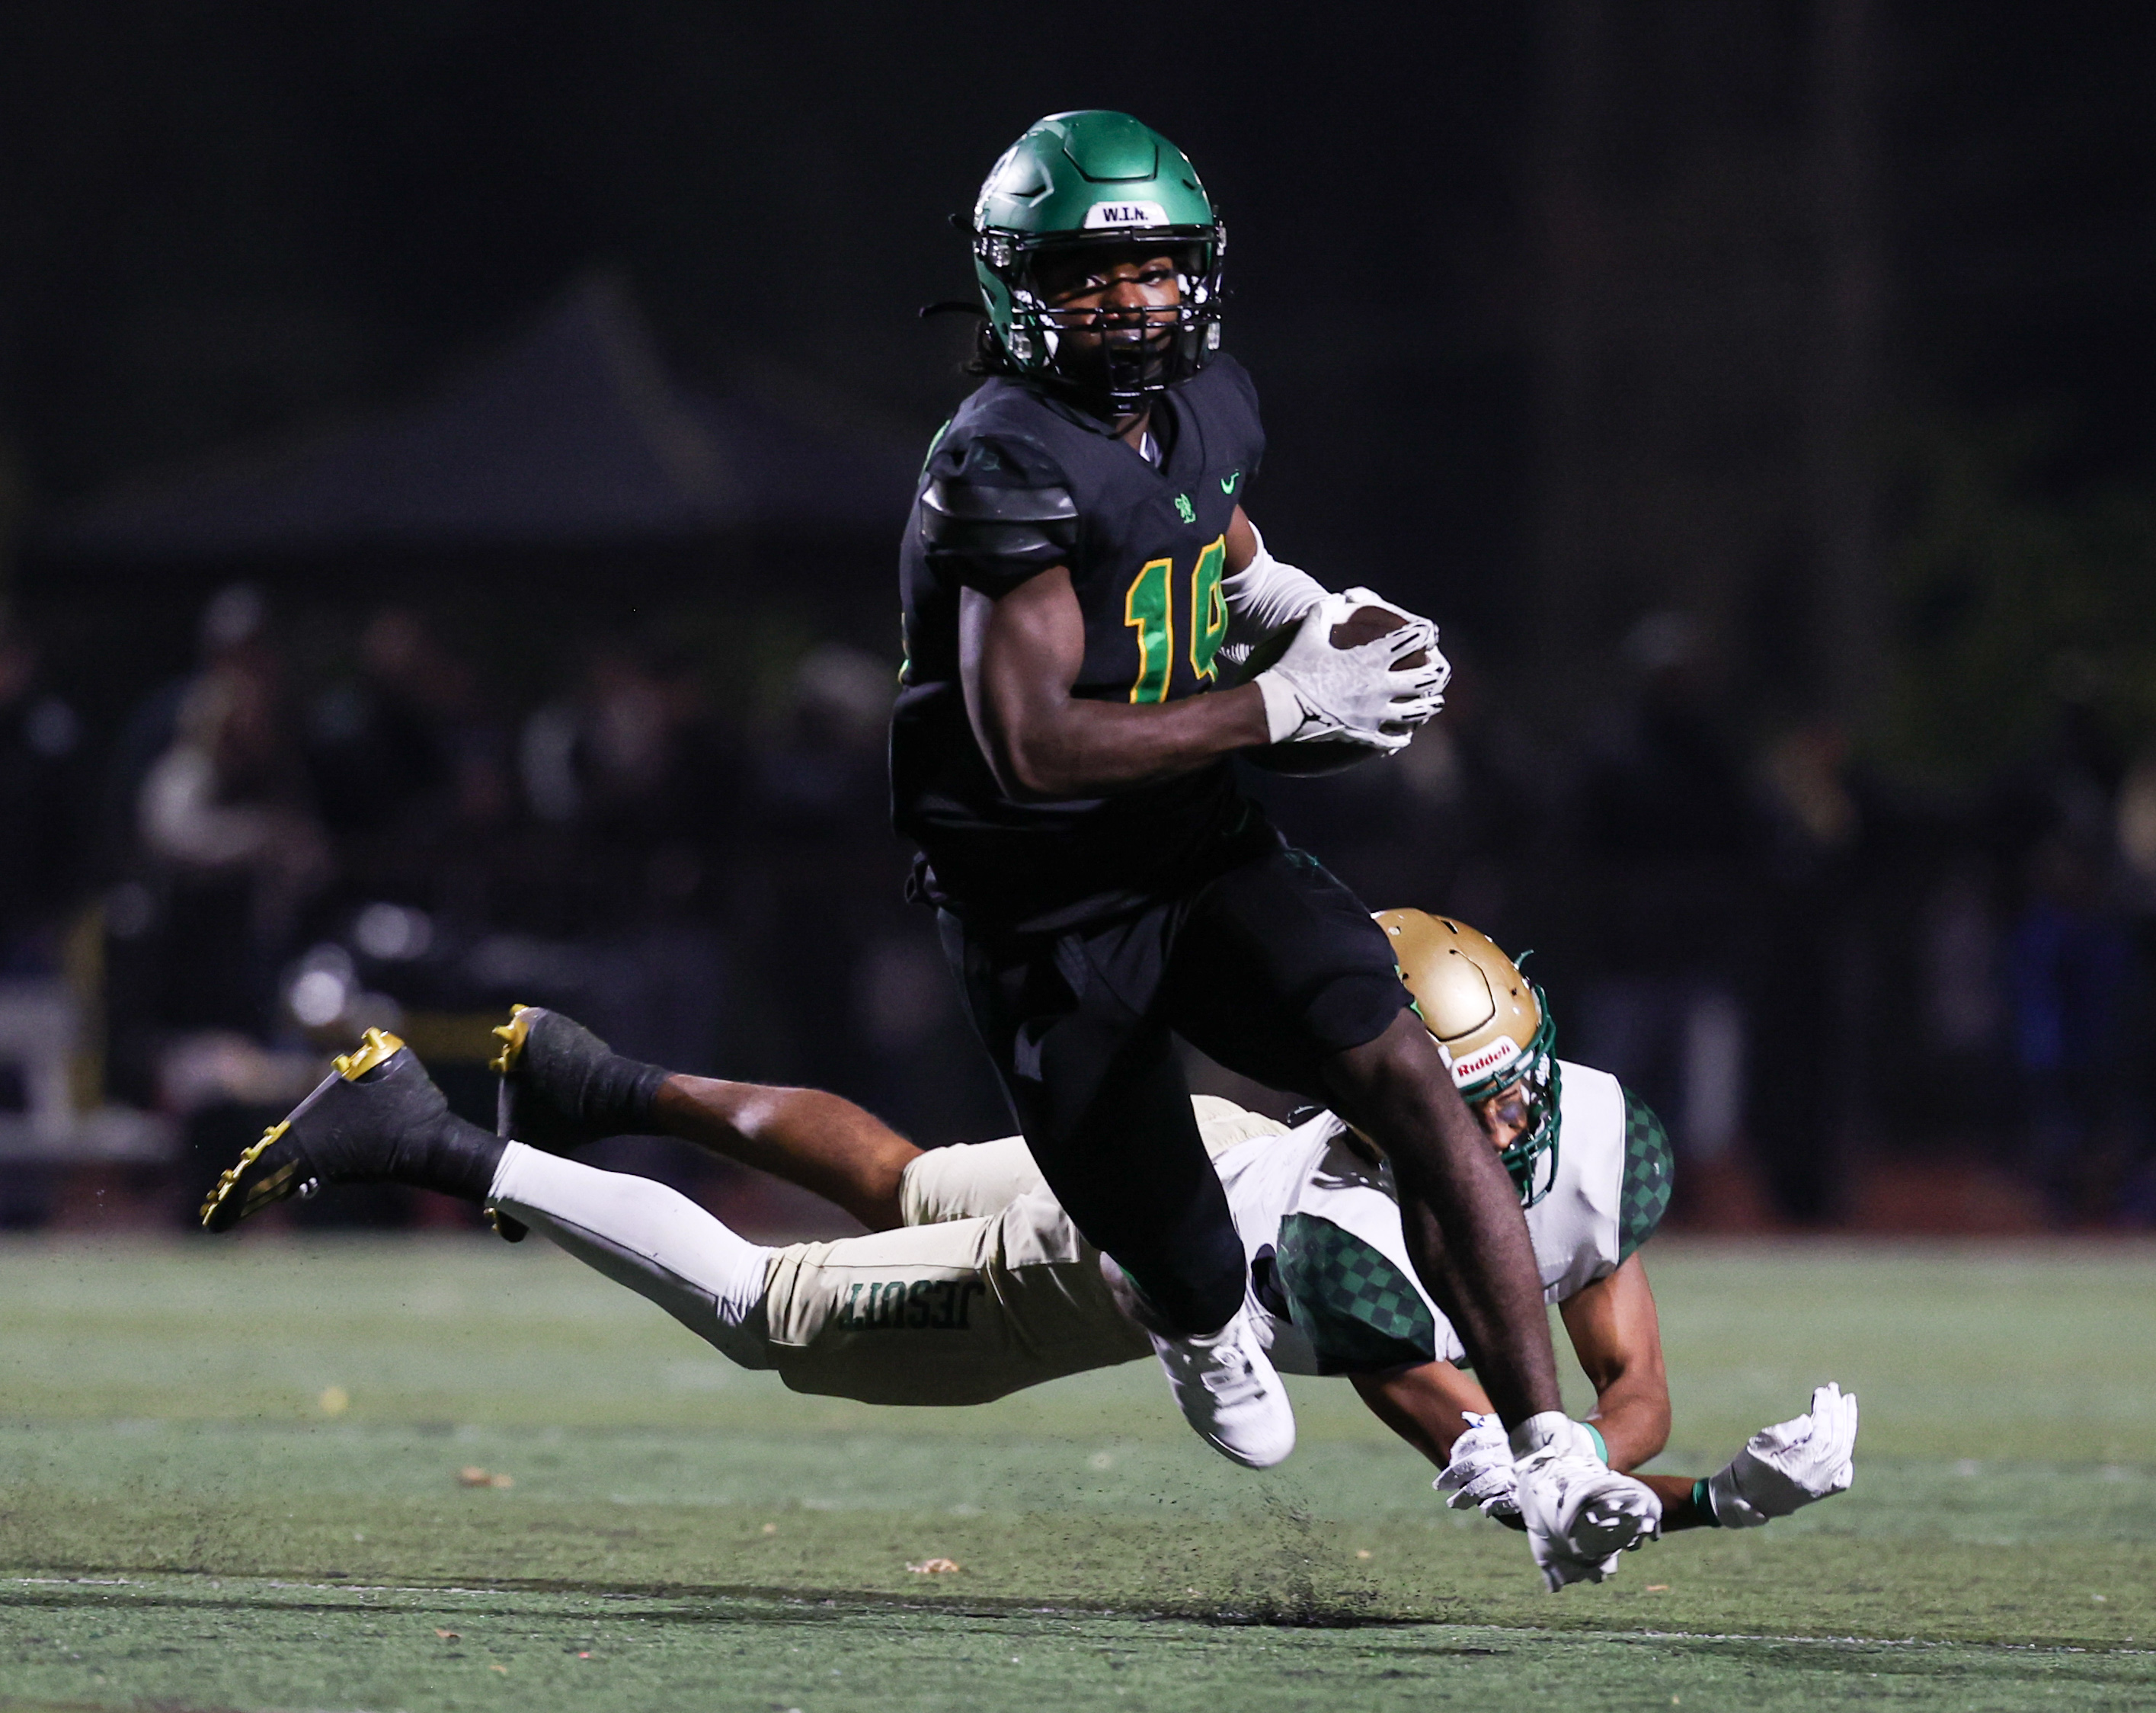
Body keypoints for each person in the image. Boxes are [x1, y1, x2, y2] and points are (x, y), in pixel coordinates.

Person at [195, 913, 1854, 1589]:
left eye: (1493, 1098)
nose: (1485, 1134)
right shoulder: (1354, 1232)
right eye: (1447, 1101)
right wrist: (1695, 1504)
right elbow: (1512, 1445)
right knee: (763, 1310)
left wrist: (1645, 1473)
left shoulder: (1601, 1130)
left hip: (1202, 1148)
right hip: (1163, 1238)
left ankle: (589, 1070)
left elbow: (1616, 1386)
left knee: (911, 1177)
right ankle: (428, 1130)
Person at [892, 107, 1566, 1482]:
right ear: (1017, 288)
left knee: (1407, 1079)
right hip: (1043, 904)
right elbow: (1030, 747)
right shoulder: (1000, 455)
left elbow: (1222, 548)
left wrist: (1313, 616)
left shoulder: (1211, 400)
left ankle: (1551, 1446)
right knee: (1183, 1252)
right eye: (1088, 274)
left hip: (1192, 846)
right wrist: (1284, 702)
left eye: (1153, 270)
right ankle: (1197, 1322)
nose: (1131, 303)